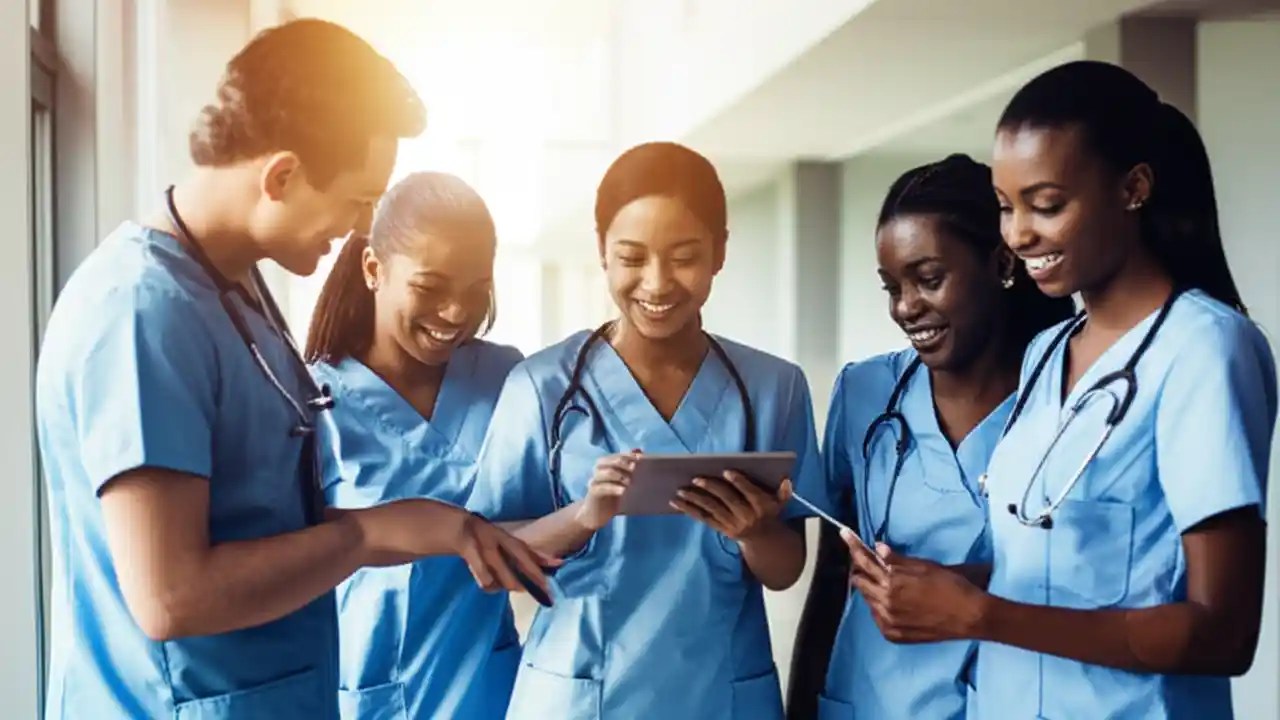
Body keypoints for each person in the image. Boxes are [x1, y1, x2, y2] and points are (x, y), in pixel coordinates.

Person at [35, 20, 549, 720]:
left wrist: (420, 526)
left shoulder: (235, 292)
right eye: (358, 198)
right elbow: (170, 596)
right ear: (281, 175)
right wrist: (368, 533)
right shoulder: (141, 314)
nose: (365, 222)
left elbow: (257, 518)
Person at [843, 60, 1277, 720]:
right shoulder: (1047, 354)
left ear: (1133, 188)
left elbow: (1223, 633)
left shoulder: (1204, 349)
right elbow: (1064, 572)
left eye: (1047, 206)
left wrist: (982, 613)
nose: (1018, 236)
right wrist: (949, 588)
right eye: (1005, 207)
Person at [466, 141, 832, 719]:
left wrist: (756, 532)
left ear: (720, 252)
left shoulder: (774, 387)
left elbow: (786, 571)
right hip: (580, 696)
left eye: (684, 256)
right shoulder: (542, 386)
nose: (657, 284)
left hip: (722, 695)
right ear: (602, 253)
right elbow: (491, 567)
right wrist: (583, 517)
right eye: (632, 257)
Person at [786, 154, 1075, 720]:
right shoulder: (866, 392)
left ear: (1000, 263)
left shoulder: (1069, 401)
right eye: (891, 286)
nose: (905, 307)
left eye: (929, 279)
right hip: (872, 700)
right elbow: (831, 577)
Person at [304, 171, 527, 719]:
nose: (455, 313)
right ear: (374, 270)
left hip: (488, 690)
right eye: (430, 288)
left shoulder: (509, 380)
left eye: (477, 290)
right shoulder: (312, 401)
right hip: (363, 693)